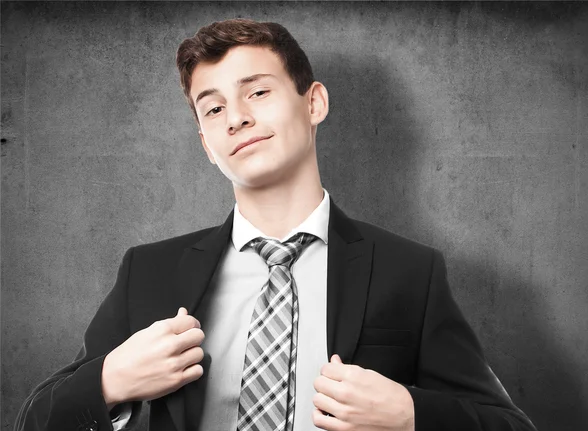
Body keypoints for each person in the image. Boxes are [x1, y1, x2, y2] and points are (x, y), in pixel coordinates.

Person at [15, 18, 537, 431]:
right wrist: (110, 381)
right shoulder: (147, 272)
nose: (235, 118)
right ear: (206, 144)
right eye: (213, 109)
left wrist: (411, 416)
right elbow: (33, 420)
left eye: (257, 93)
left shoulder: (411, 271)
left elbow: (508, 425)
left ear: (314, 102)